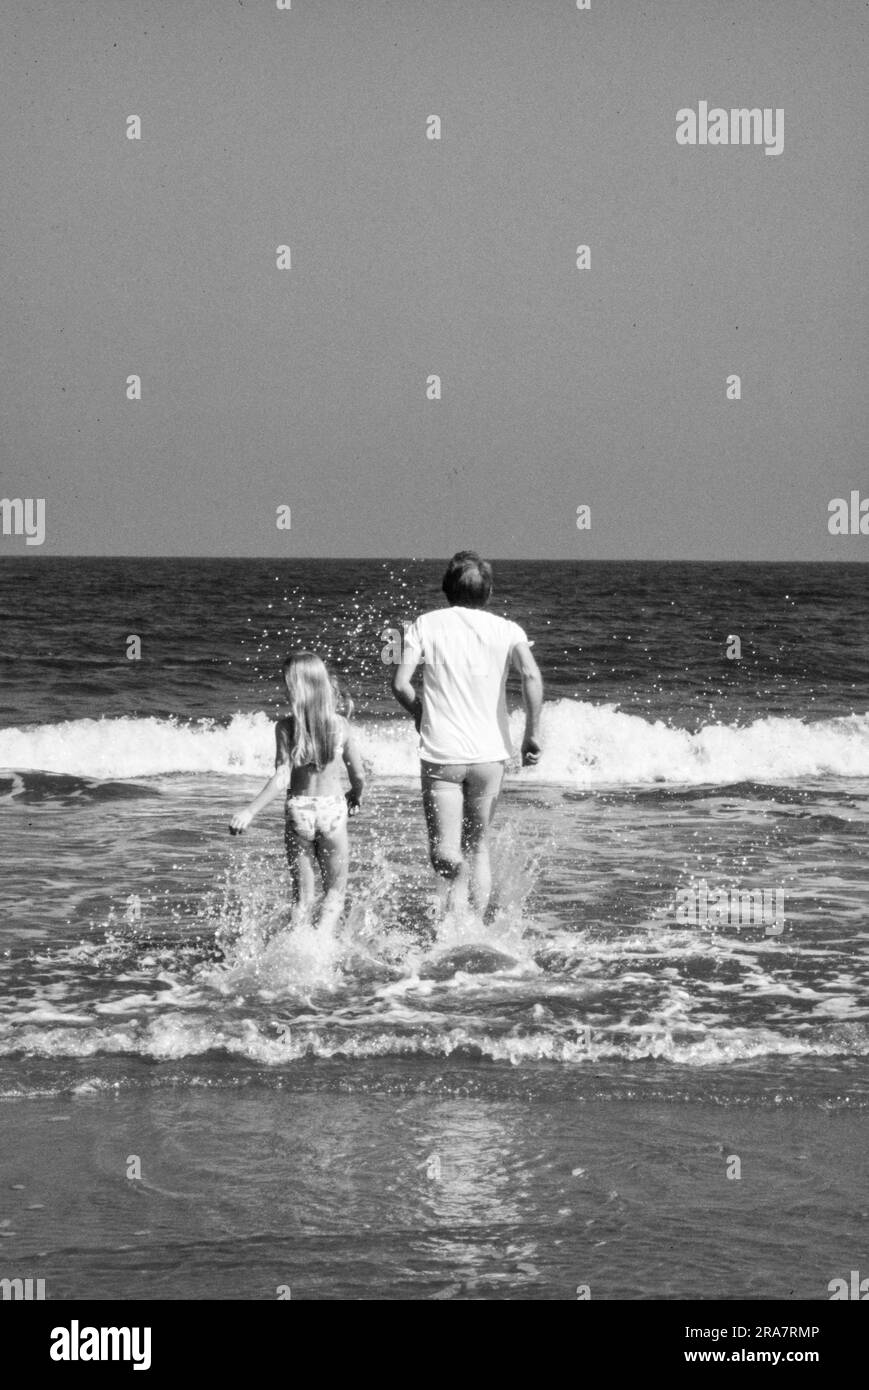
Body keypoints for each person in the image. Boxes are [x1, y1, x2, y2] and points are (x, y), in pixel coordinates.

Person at [391, 551, 543, 919]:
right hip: (490, 755)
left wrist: (419, 713)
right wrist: (531, 735)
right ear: (488, 593)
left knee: (446, 850)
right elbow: (532, 677)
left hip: (442, 754)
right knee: (478, 847)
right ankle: (476, 930)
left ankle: (451, 924)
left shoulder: (424, 624)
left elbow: (399, 684)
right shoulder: (508, 630)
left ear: (446, 589)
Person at [230, 652, 365, 931]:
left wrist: (249, 811)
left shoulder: (286, 727)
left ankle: (297, 948)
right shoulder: (341, 725)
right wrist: (357, 794)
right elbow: (359, 774)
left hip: (299, 810)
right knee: (334, 895)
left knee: (302, 899)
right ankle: (322, 948)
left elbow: (282, 777)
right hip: (333, 810)